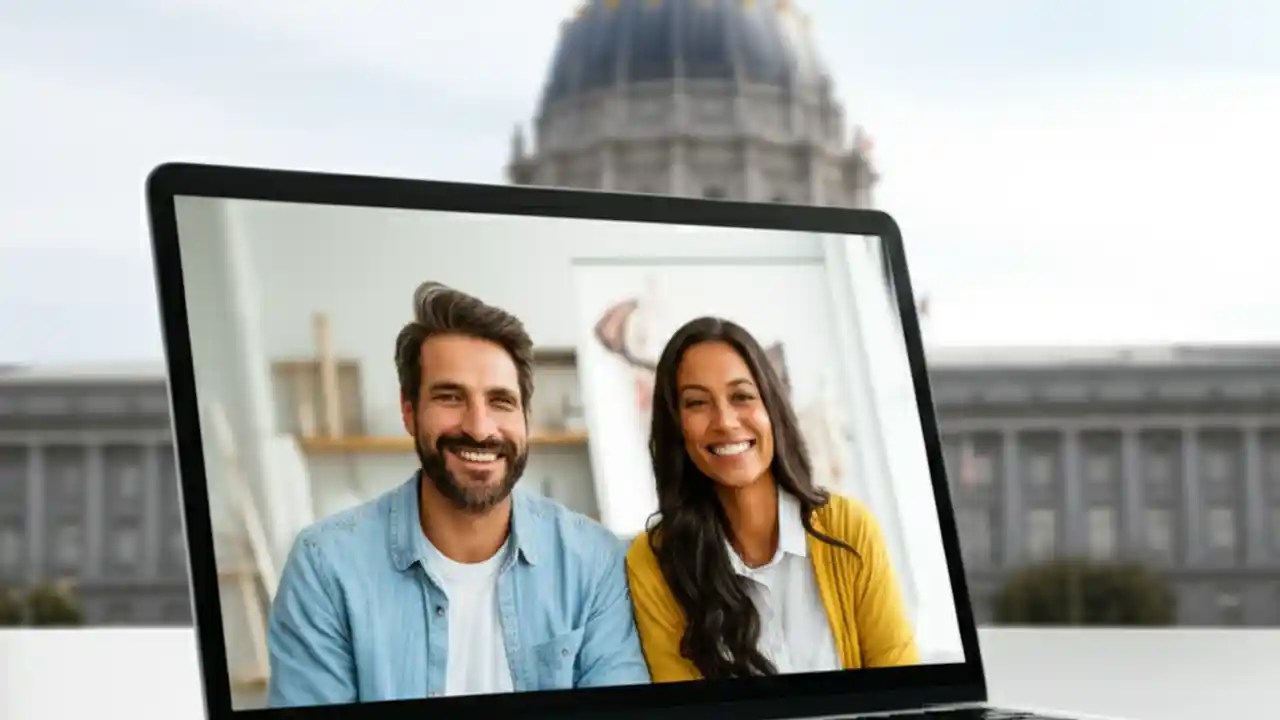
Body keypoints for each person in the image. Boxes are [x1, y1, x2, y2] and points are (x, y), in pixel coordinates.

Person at [267, 282, 651, 707]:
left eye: (501, 400)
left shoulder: (593, 561)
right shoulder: (326, 568)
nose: (480, 427)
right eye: (451, 397)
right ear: (409, 410)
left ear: (526, 416)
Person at [624, 316, 919, 682]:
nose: (726, 421)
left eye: (742, 396)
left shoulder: (849, 529)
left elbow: (902, 685)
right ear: (676, 427)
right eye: (697, 403)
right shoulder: (653, 561)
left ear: (771, 409)